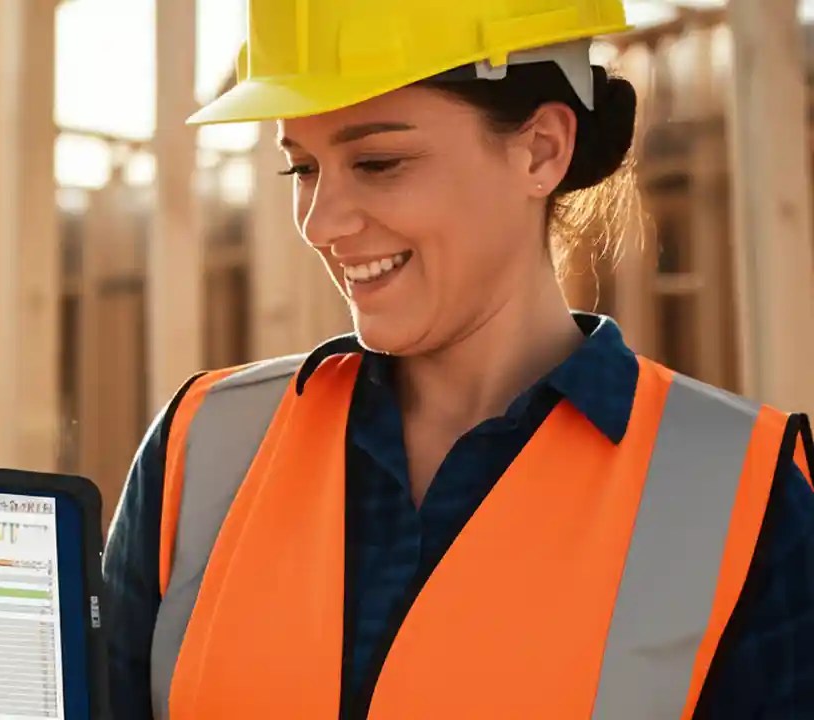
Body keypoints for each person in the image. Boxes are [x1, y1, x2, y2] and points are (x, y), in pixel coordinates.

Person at [102, 1, 814, 718]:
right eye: (303, 168)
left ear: (541, 150)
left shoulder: (743, 495)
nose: (321, 223)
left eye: (378, 163)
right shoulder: (204, 451)